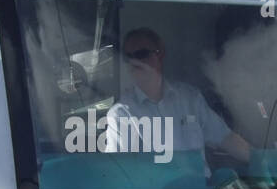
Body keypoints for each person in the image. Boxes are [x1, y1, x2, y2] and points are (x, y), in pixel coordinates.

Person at [105, 27, 250, 178]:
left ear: (160, 53)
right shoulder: (121, 114)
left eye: (142, 54)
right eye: (129, 57)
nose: (135, 62)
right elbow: (121, 172)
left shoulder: (190, 98)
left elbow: (226, 138)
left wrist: (263, 162)